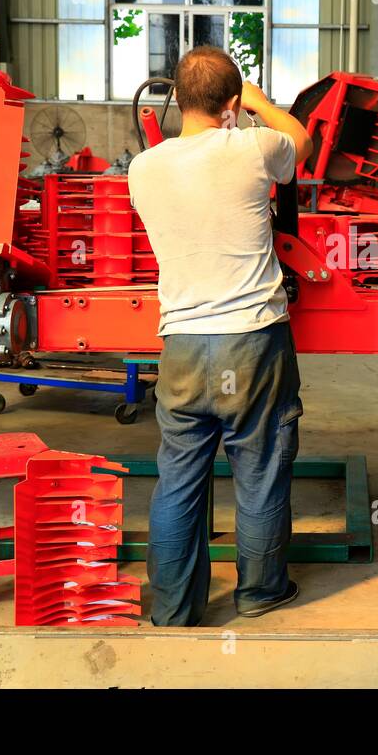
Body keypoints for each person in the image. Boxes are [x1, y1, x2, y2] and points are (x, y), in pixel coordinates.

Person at [128, 46, 313, 626]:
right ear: (231, 105)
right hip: (253, 342)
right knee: (258, 471)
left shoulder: (144, 167)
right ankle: (260, 592)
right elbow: (300, 142)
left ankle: (174, 610)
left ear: (177, 99)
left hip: (182, 344)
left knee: (178, 481)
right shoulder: (254, 146)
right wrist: (258, 103)